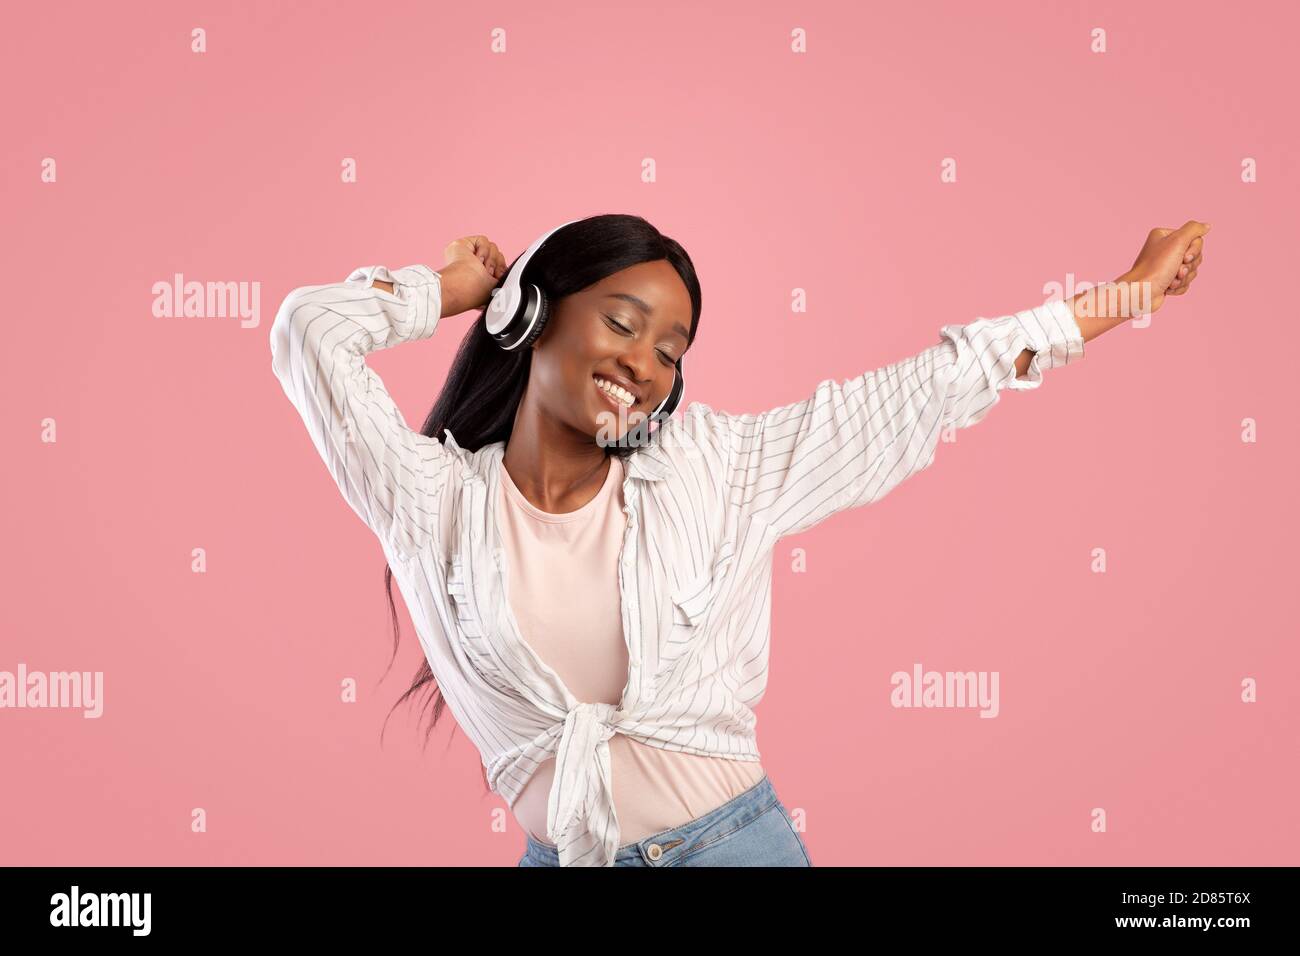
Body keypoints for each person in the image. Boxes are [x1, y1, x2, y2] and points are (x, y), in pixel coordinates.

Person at [268, 213, 1209, 866]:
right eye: (623, 324)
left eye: (670, 350)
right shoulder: (430, 502)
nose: (644, 365)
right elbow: (309, 332)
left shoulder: (715, 466)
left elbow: (931, 388)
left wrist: (1124, 296)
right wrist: (452, 289)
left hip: (732, 851)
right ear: (531, 314)